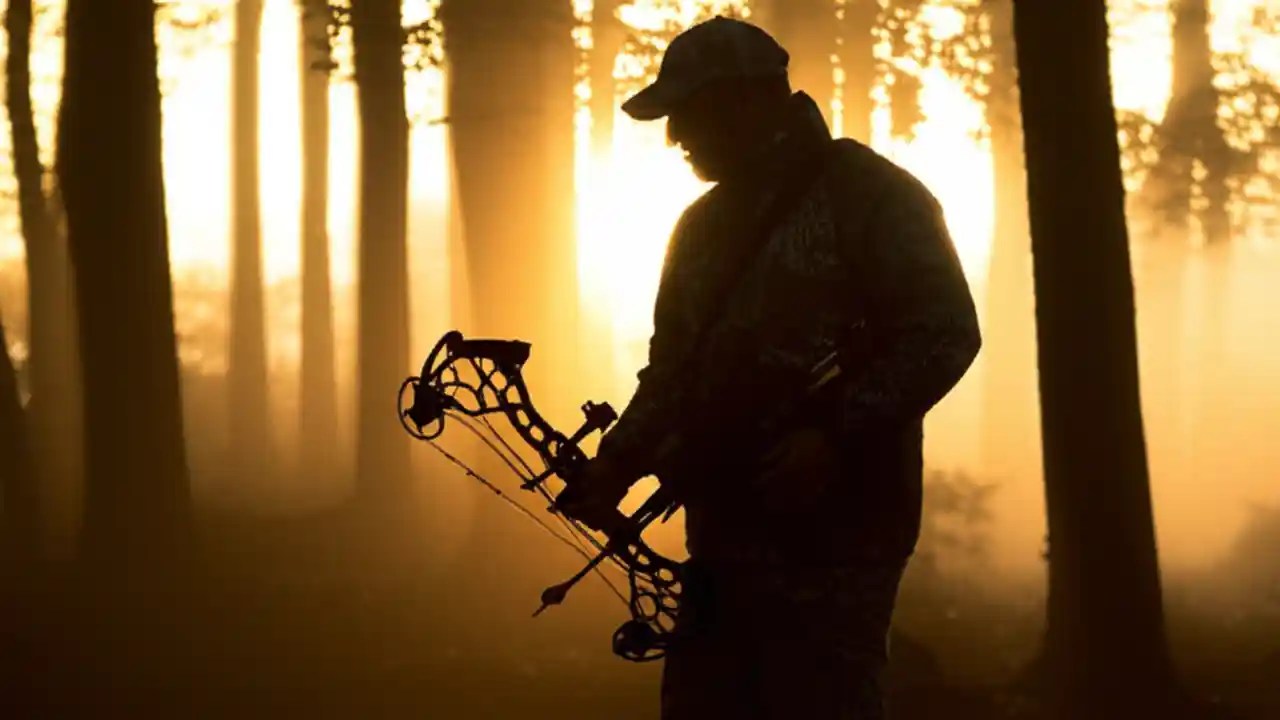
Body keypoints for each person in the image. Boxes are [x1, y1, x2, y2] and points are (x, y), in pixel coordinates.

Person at [558, 16, 981, 719]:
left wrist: (834, 435)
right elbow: (673, 371)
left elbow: (943, 334)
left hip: (843, 539)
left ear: (748, 104)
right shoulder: (699, 230)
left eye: (689, 114)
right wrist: (618, 462)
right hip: (723, 539)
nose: (675, 138)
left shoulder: (872, 197)